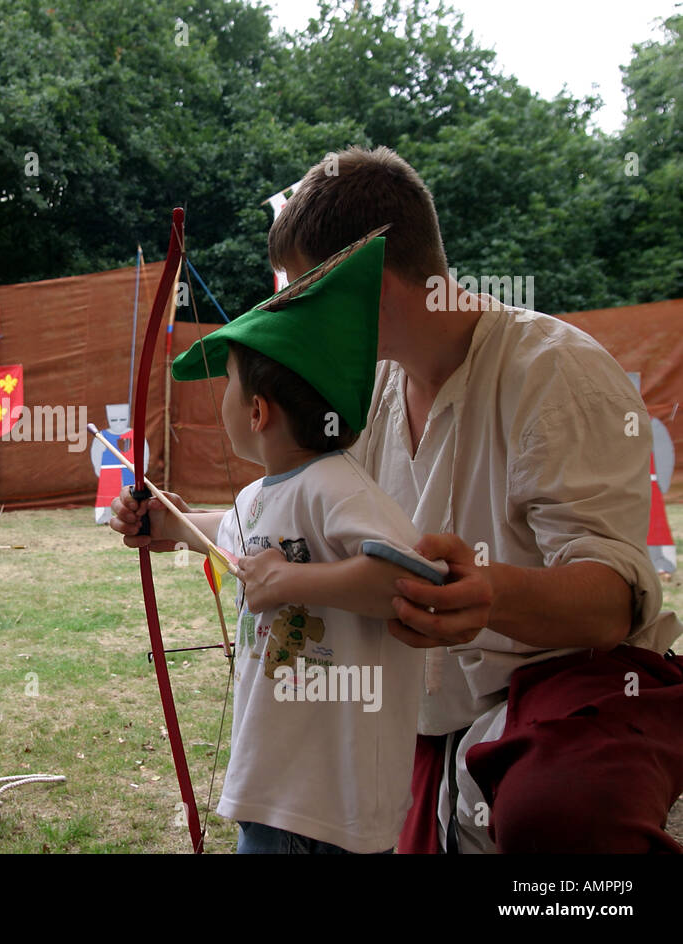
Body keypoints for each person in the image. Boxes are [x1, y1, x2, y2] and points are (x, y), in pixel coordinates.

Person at [249, 146, 681, 853]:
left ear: (367, 289)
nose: (296, 322)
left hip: (568, 692)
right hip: (429, 718)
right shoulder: (374, 394)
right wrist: (176, 524)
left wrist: (490, 595)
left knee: (562, 813)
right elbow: (298, 508)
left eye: (305, 295)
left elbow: (610, 601)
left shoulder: (555, 373)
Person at [116, 233, 448, 854]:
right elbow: (240, 539)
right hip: (276, 783)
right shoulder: (263, 495)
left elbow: (409, 581)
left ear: (259, 412)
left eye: (228, 384)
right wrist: (165, 523)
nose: (222, 399)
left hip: (330, 805)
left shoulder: (338, 488)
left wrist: (291, 583)